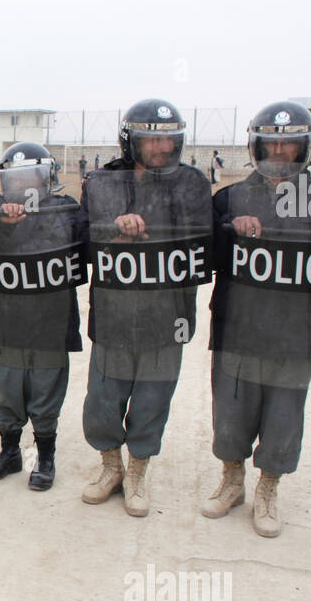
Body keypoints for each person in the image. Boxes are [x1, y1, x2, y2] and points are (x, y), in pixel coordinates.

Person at [200, 101, 311, 537]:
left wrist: (299, 241)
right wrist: (231, 226)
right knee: (230, 413)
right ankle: (233, 481)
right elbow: (205, 253)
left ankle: (268, 488)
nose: (281, 150)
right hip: (238, 325)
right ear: (257, 145)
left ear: (305, 147)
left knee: (284, 415)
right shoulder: (229, 197)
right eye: (272, 141)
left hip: (295, 330)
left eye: (290, 143)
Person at [80, 99, 212, 515]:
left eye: (168, 139)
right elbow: (80, 238)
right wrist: (112, 229)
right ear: (129, 140)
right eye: (151, 138)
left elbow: (203, 240)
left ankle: (138, 468)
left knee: (154, 398)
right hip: (114, 310)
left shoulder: (191, 183)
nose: (161, 147)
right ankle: (110, 466)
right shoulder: (101, 183)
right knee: (103, 397)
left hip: (166, 313)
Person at [0, 141, 85, 491]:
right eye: (16, 179)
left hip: (48, 321)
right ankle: (10, 451)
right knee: (5, 389)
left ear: (47, 176)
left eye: (31, 176)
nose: (24, 185)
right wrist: (1, 220)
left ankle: (45, 455)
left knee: (46, 388)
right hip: (4, 320)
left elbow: (86, 241)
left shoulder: (64, 209)